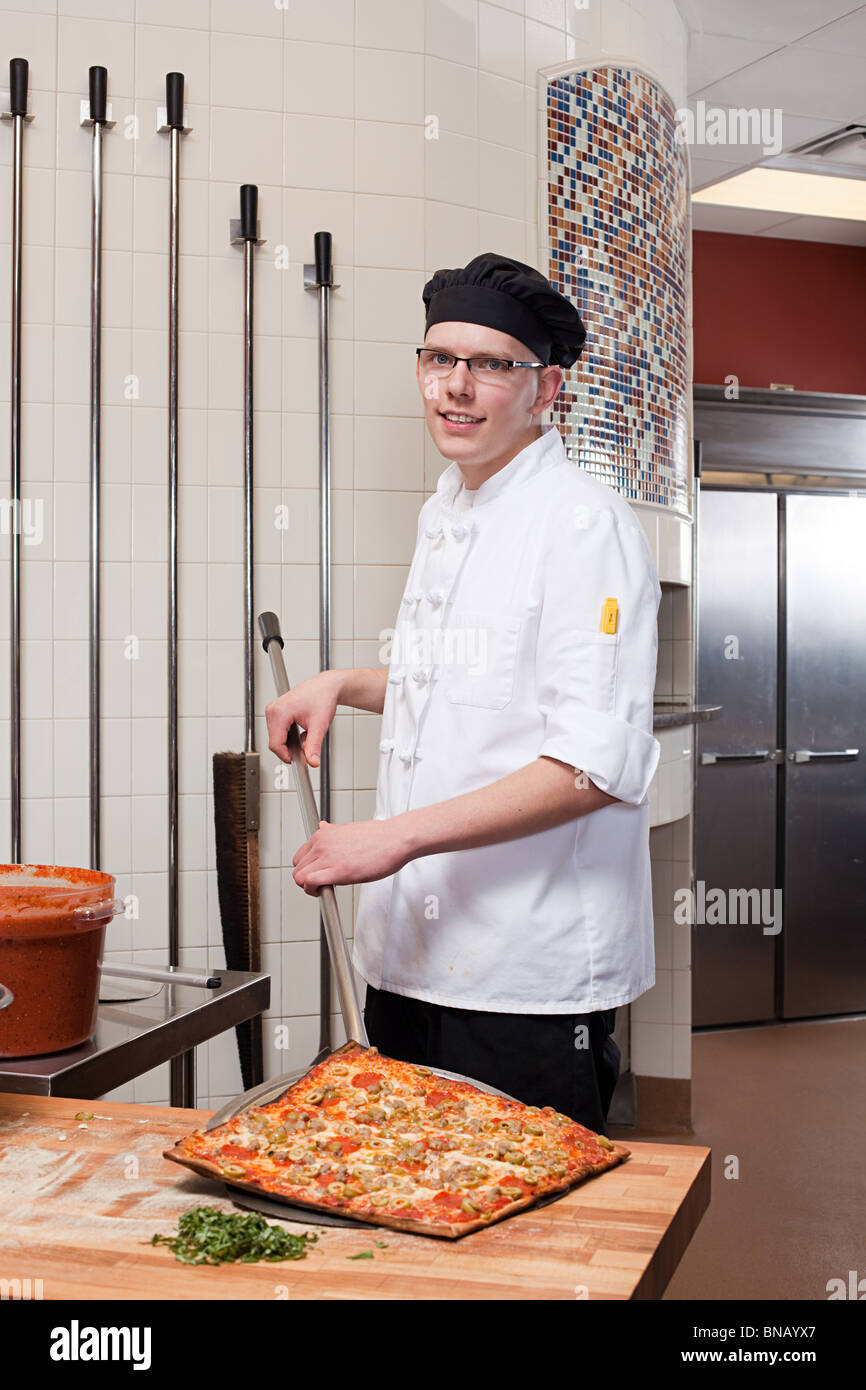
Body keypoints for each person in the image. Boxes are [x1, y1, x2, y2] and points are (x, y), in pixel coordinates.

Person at [265, 252, 661, 1136]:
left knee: (519, 1243)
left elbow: (587, 768)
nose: (456, 387)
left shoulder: (583, 526)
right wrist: (345, 684)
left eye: (490, 365)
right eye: (439, 359)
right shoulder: (451, 507)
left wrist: (389, 842)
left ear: (545, 388)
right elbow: (469, 681)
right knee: (407, 1211)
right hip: (409, 956)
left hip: (524, 972)